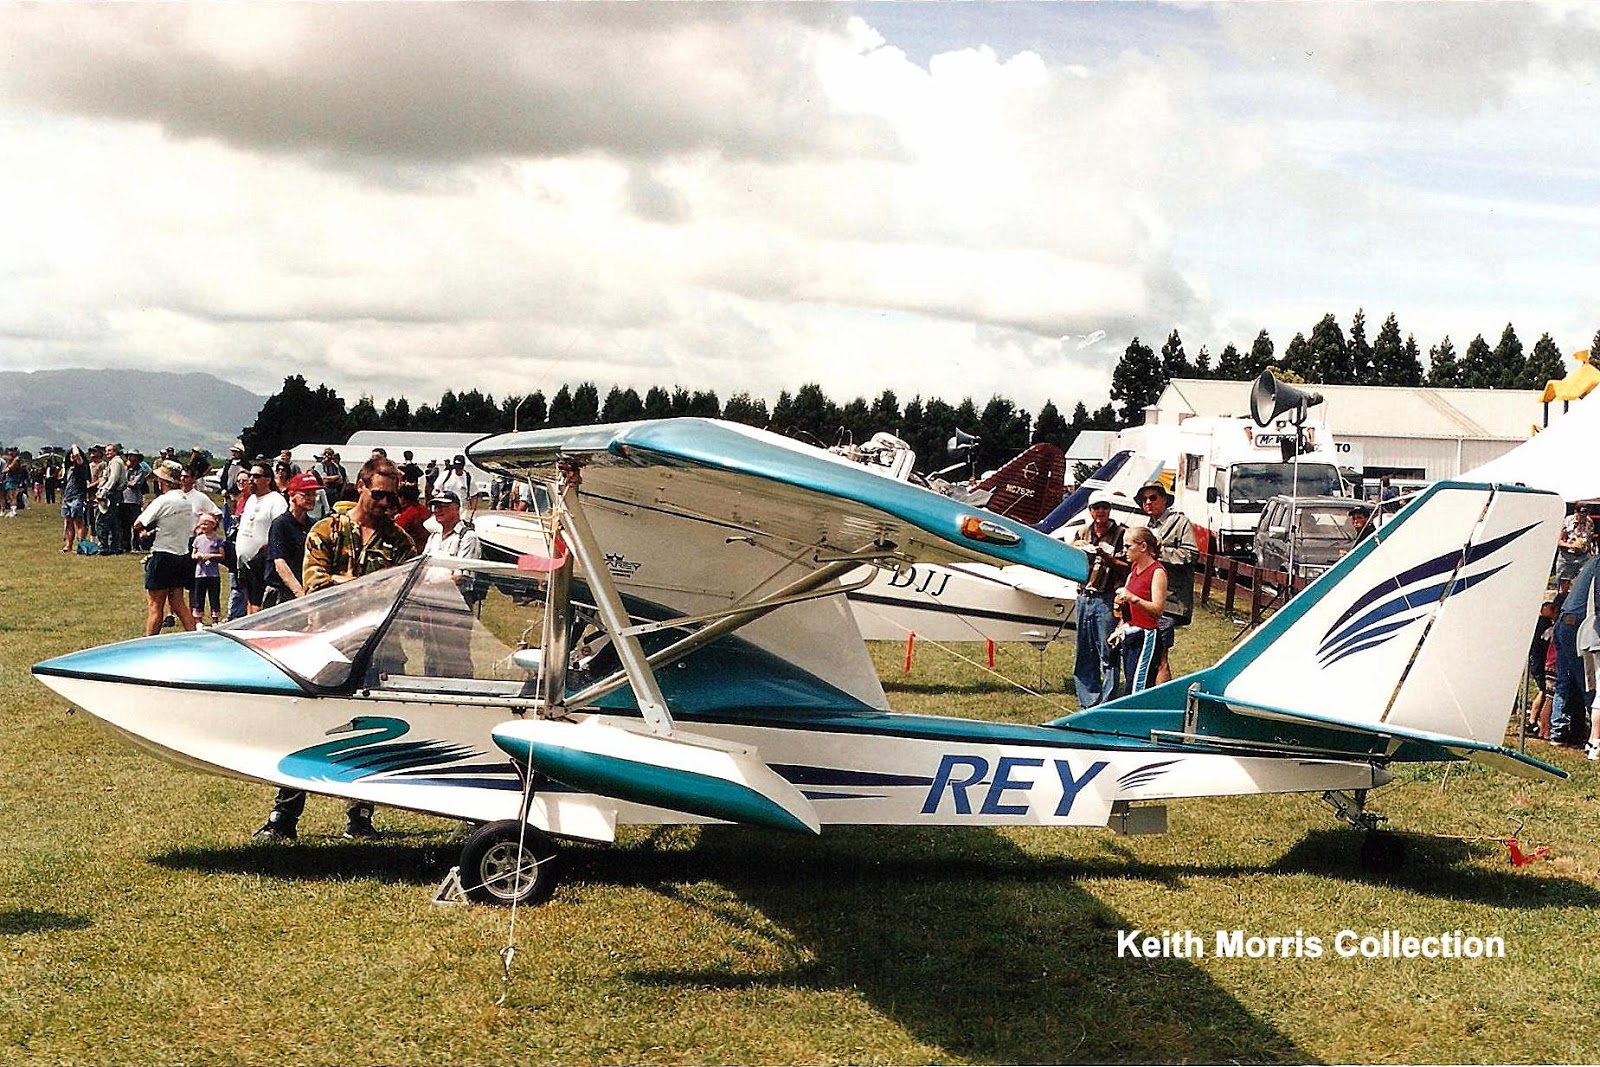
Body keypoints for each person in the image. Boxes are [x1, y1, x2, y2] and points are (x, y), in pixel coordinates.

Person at [256, 457, 415, 842]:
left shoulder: (400, 542)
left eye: (391, 497)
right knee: (306, 727)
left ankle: (361, 815)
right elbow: (316, 587)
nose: (385, 503)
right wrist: (371, 587)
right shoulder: (325, 531)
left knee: (375, 733)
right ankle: (284, 815)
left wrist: (349, 584)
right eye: (378, 494)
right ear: (360, 486)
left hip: (381, 653)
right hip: (328, 646)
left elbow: (402, 595)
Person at [1135, 481, 1198, 684]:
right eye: (1144, 499)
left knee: (1160, 654)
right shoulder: (1144, 527)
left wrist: (1159, 553)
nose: (1148, 502)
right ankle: (1147, 692)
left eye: (1153, 498)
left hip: (1170, 600)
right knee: (1147, 652)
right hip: (1147, 599)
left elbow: (1190, 554)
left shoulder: (1179, 522)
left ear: (1164, 499)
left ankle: (1162, 695)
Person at [418, 489, 484, 677]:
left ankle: (459, 689)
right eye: (435, 506)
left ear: (457, 508)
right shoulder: (434, 537)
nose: (438, 510)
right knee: (431, 653)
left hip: (455, 604)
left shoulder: (468, 537)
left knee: (455, 655)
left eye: (443, 506)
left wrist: (432, 584)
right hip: (430, 602)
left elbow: (462, 576)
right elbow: (422, 567)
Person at [1069, 490, 1126, 707]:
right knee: (1084, 650)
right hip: (1084, 597)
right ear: (1090, 510)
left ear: (1110, 509)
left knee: (1108, 649)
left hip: (1107, 598)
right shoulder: (1082, 533)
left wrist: (1104, 555)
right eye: (1096, 507)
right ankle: (1088, 701)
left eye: (1104, 507)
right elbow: (1070, 560)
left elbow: (1127, 567)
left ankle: (1108, 700)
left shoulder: (1122, 534)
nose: (1100, 511)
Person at [132, 461, 199, 636]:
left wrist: (148, 531)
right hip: (181, 555)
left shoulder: (163, 500)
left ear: (163, 481)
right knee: (178, 602)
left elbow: (138, 523)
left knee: (155, 605)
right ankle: (193, 635)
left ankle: (149, 643)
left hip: (163, 555)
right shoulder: (186, 501)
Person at [1549, 554, 1599, 747]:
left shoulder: (1593, 562)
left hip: (1566, 621)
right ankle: (1595, 736)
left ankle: (1559, 731)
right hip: (1579, 624)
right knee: (1589, 681)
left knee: (1566, 680)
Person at [1112, 526, 1168, 696]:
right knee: (1130, 683)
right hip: (1131, 634)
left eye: (1128, 546)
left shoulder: (1157, 572)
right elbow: (1126, 608)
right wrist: (1119, 628)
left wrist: (1133, 598)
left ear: (1143, 547)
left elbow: (1157, 610)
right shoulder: (1134, 570)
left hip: (1146, 635)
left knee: (1138, 688)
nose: (1124, 551)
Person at [235, 463, 288, 614]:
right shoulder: (251, 499)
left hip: (262, 562)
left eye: (256, 476)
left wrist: (265, 551)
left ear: (268, 479)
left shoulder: (276, 500)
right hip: (244, 562)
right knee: (249, 603)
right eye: (250, 476)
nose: (251, 479)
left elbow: (280, 530)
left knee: (259, 605)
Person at [263, 472, 320, 605]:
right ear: (292, 495)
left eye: (314, 494)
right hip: (282, 595)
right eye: (306, 494)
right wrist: (300, 594)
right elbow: (280, 564)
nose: (312, 498)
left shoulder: (313, 525)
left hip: (306, 592)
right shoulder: (280, 524)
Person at [190, 513, 225, 627]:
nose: (203, 526)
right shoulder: (198, 539)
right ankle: (198, 620)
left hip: (213, 574)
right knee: (199, 596)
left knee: (214, 596)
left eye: (206, 524)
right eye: (201, 524)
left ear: (213, 525)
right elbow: (193, 555)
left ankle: (215, 619)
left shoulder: (217, 540)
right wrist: (198, 556)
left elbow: (222, 556)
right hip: (200, 574)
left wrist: (211, 556)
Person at [95, 443, 129, 554]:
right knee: (113, 522)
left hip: (112, 494)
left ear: (115, 451)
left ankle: (105, 547)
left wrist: (103, 492)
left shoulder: (115, 462)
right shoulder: (114, 462)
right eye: (106, 451)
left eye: (109, 450)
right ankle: (115, 547)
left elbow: (113, 478)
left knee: (102, 521)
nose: (107, 453)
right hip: (115, 493)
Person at [60, 445, 91, 552]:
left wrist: (74, 446)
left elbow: (77, 455)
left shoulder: (81, 466)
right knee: (68, 522)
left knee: (79, 522)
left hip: (77, 496)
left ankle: (81, 546)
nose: (72, 456)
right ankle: (68, 545)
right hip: (67, 497)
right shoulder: (68, 468)